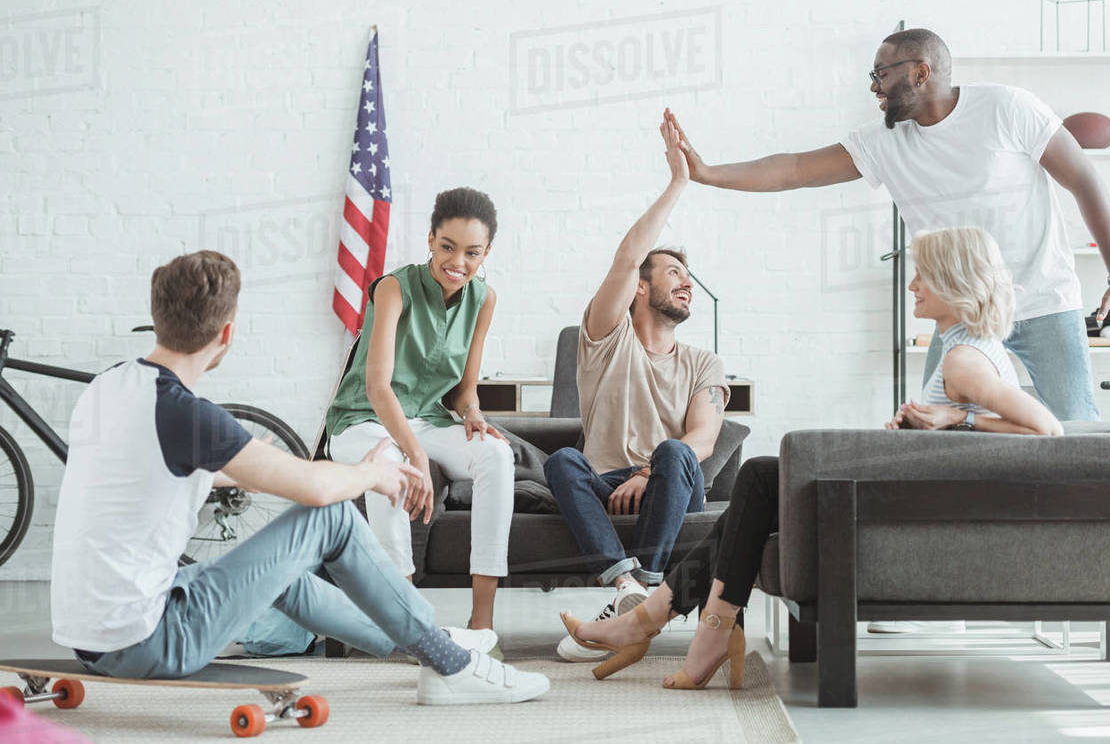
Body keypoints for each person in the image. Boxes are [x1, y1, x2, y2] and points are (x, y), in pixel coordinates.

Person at [558, 227, 1062, 690]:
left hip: (917, 506)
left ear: (954, 281)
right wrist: (938, 425)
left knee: (758, 480)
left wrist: (957, 421)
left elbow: (1047, 429)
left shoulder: (963, 359)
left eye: (923, 274)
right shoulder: (971, 349)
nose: (911, 284)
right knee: (755, 488)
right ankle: (684, 623)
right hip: (921, 493)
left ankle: (665, 621)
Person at [51, 251, 548, 705]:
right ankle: (453, 664)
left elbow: (134, 472)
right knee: (328, 519)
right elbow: (315, 490)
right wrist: (370, 473)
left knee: (281, 569)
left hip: (94, 635)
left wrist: (236, 469)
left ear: (158, 319)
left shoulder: (110, 385)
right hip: (149, 641)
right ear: (227, 334)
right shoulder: (187, 414)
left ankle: (425, 648)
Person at [665, 26, 1110, 423]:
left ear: (920, 72)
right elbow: (793, 169)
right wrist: (706, 173)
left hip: (1043, 301)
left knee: (1078, 430)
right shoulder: (884, 143)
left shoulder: (1007, 109)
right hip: (960, 316)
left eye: (881, 74)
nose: (873, 86)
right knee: (927, 430)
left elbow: (1084, 180)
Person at [547, 119, 729, 664]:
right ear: (641, 289)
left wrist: (650, 471)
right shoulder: (605, 337)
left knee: (675, 450)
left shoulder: (704, 362)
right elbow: (627, 258)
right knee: (561, 460)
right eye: (673, 271)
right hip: (604, 480)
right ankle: (632, 590)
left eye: (688, 276)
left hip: (670, 481)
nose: (686, 282)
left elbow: (702, 438)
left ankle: (639, 590)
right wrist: (678, 183)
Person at [325, 188, 514, 634]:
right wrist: (417, 456)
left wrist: (473, 413)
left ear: (487, 252)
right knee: (392, 469)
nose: (458, 262)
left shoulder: (483, 300)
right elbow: (376, 386)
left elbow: (466, 390)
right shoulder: (393, 288)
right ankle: (408, 624)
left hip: (427, 419)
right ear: (430, 239)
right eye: (447, 246)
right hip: (364, 419)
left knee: (496, 456)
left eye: (472, 252)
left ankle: (482, 624)